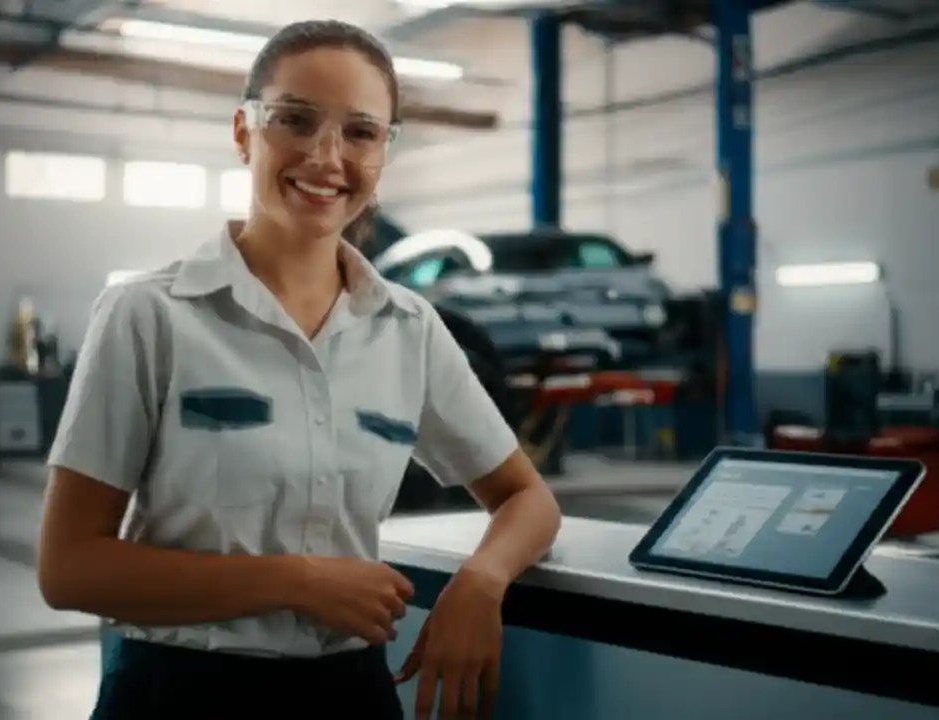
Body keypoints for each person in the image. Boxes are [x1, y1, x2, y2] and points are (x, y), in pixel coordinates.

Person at [37, 19, 562, 719]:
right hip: (178, 694)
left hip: (349, 695)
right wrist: (296, 581)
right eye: (295, 120)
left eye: (361, 132)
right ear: (243, 131)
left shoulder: (409, 331)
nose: (326, 157)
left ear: (385, 153)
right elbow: (69, 568)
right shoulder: (150, 316)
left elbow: (529, 500)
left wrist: (481, 582)